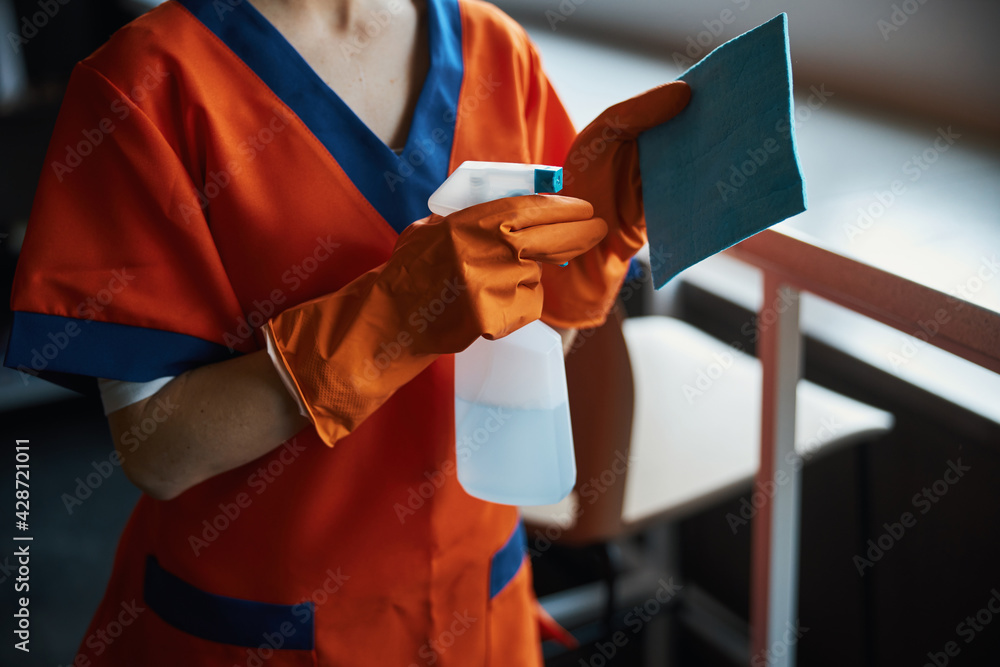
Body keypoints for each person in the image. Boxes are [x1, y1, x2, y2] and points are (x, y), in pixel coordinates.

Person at [5, 0, 689, 663]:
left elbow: (524, 357)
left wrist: (590, 260)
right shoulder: (149, 80)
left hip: (476, 606)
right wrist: (392, 317)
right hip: (266, 627)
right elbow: (157, 450)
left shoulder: (496, 50)